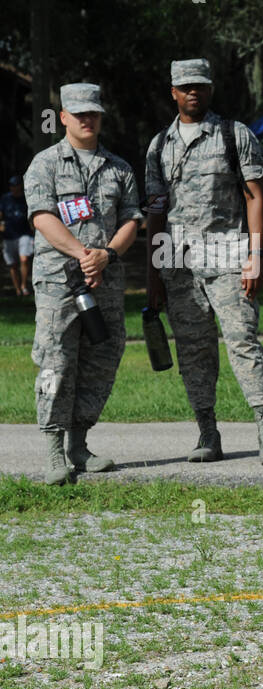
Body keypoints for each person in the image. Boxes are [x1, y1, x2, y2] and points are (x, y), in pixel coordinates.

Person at [145, 58, 263, 465]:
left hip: (229, 257)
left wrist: (256, 256)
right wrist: (153, 274)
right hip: (178, 265)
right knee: (193, 351)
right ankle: (207, 432)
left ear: (210, 89)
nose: (194, 92)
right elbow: (155, 212)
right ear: (173, 92)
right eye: (186, 86)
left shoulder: (234, 134)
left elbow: (255, 196)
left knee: (244, 342)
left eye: (201, 85)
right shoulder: (159, 146)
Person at [25, 83, 142, 484]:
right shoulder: (45, 164)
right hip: (60, 283)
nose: (87, 119)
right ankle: (54, 451)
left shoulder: (119, 168)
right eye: (78, 114)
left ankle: (79, 443)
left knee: (102, 359)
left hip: (105, 282)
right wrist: (83, 254)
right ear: (63, 118)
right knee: (56, 360)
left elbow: (132, 220)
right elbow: (42, 217)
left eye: (93, 112)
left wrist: (105, 255)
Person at [2, 176, 34, 296]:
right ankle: (17, 290)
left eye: (16, 185)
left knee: (24, 259)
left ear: (20, 185)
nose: (14, 188)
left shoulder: (26, 198)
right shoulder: (5, 199)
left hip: (24, 233)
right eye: (12, 185)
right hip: (9, 235)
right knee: (12, 264)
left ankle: (24, 285)